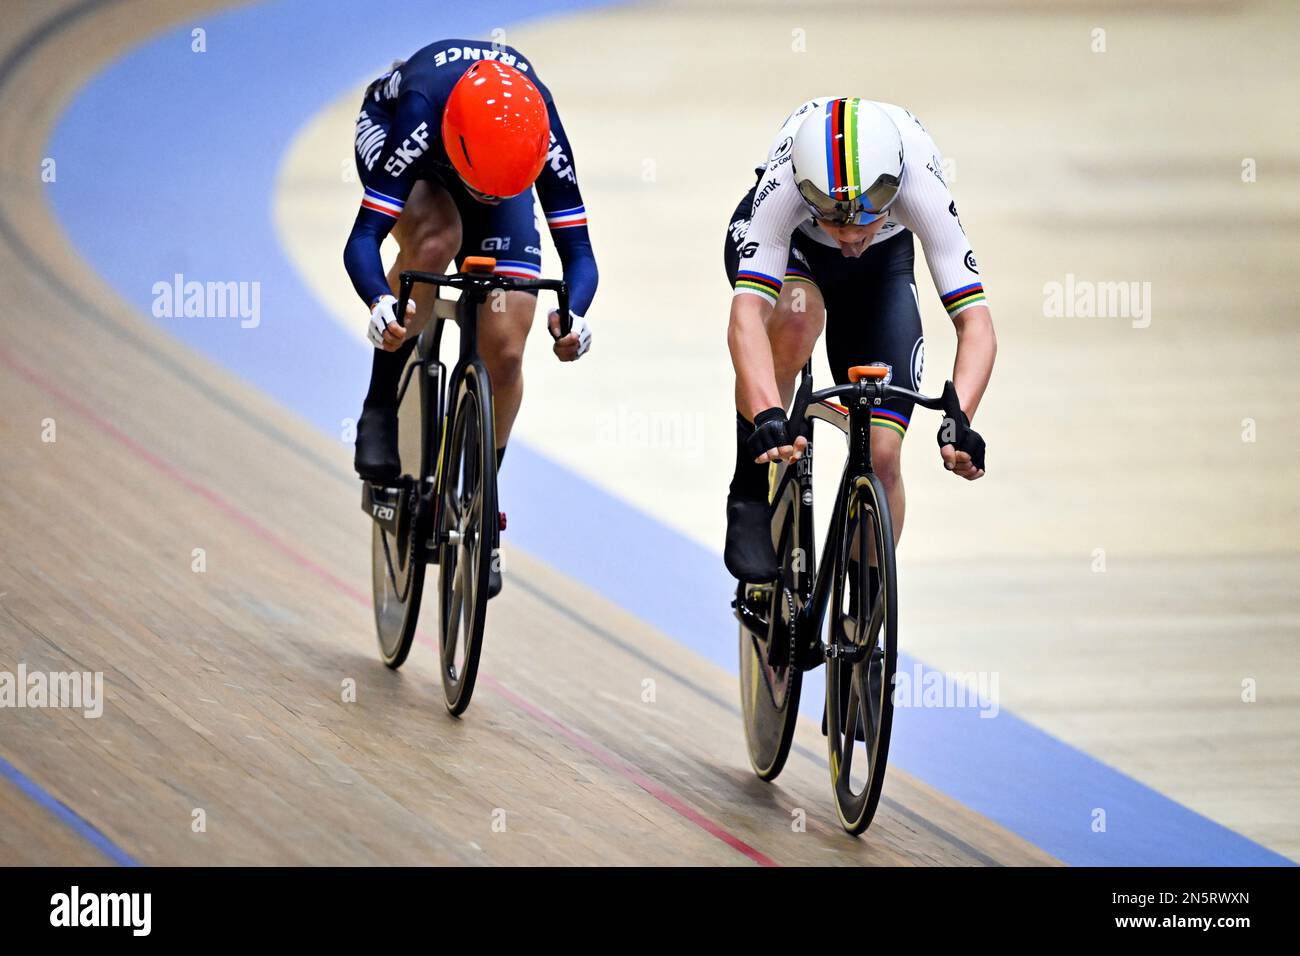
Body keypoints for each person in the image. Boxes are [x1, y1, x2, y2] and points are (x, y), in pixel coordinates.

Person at [723, 97, 994, 582]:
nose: (849, 238)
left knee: (884, 454)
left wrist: (961, 418)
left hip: (882, 267)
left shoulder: (919, 178)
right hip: (795, 253)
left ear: (892, 194)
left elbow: (976, 323)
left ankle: (862, 614)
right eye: (834, 220)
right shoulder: (786, 181)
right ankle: (748, 488)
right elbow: (746, 317)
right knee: (797, 317)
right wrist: (765, 415)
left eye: (864, 220)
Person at [344, 38, 598, 486]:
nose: (490, 199)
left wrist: (574, 314)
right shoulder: (419, 114)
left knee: (505, 351)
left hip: (488, 155)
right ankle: (380, 403)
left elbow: (579, 252)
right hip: (399, 133)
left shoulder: (543, 132)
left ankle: (476, 493)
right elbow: (364, 236)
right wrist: (379, 300)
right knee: (437, 237)